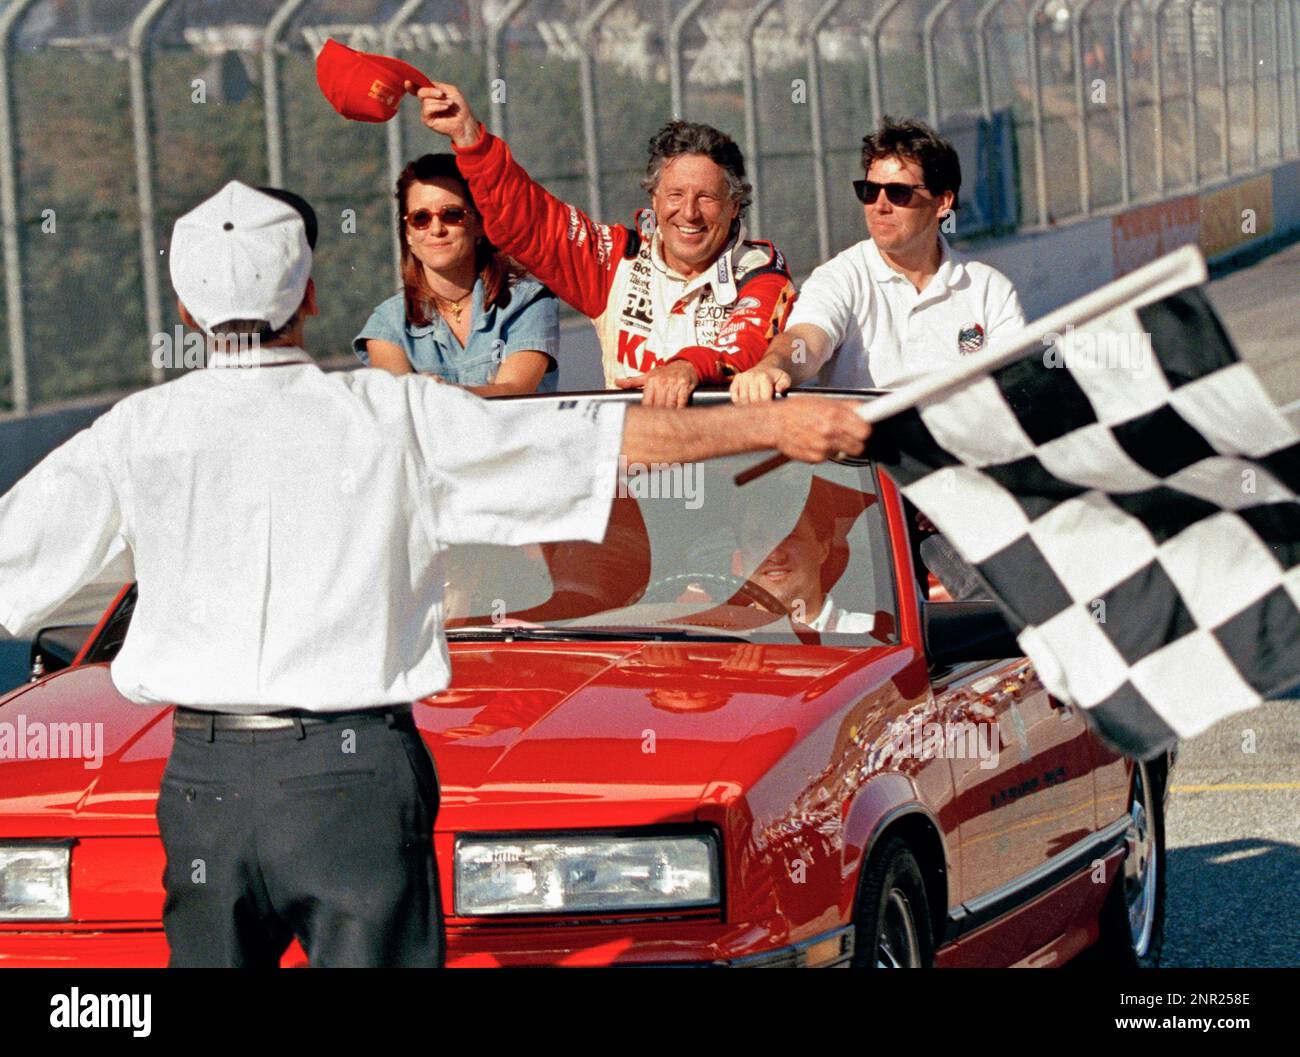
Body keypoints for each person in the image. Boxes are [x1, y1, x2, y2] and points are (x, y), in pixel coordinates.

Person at [0, 181, 870, 968]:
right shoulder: (389, 416)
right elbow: (599, 443)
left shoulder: (133, 433)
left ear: (186, 309)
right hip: (351, 776)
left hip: (201, 780)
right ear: (306, 296)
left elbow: (12, 572)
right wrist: (782, 428)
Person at [405, 80, 797, 408]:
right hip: (634, 470)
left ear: (734, 206)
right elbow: (528, 220)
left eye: (707, 198)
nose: (689, 213)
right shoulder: (615, 258)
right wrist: (470, 138)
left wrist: (687, 368)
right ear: (654, 199)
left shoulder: (760, 271)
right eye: (675, 195)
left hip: (734, 469)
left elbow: (744, 345)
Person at [730, 116, 1026, 402]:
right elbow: (806, 339)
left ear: (942, 202)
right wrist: (773, 367)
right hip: (865, 452)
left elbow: (1016, 388)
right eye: (869, 191)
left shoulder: (990, 290)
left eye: (898, 193)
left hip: (961, 451)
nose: (879, 206)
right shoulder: (839, 278)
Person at [355, 153, 560, 394]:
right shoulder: (387, 324)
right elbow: (401, 407)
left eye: (451, 214)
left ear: (479, 225)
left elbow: (514, 391)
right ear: (408, 234)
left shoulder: (527, 303)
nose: (436, 229)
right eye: (420, 218)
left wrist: (441, 394)